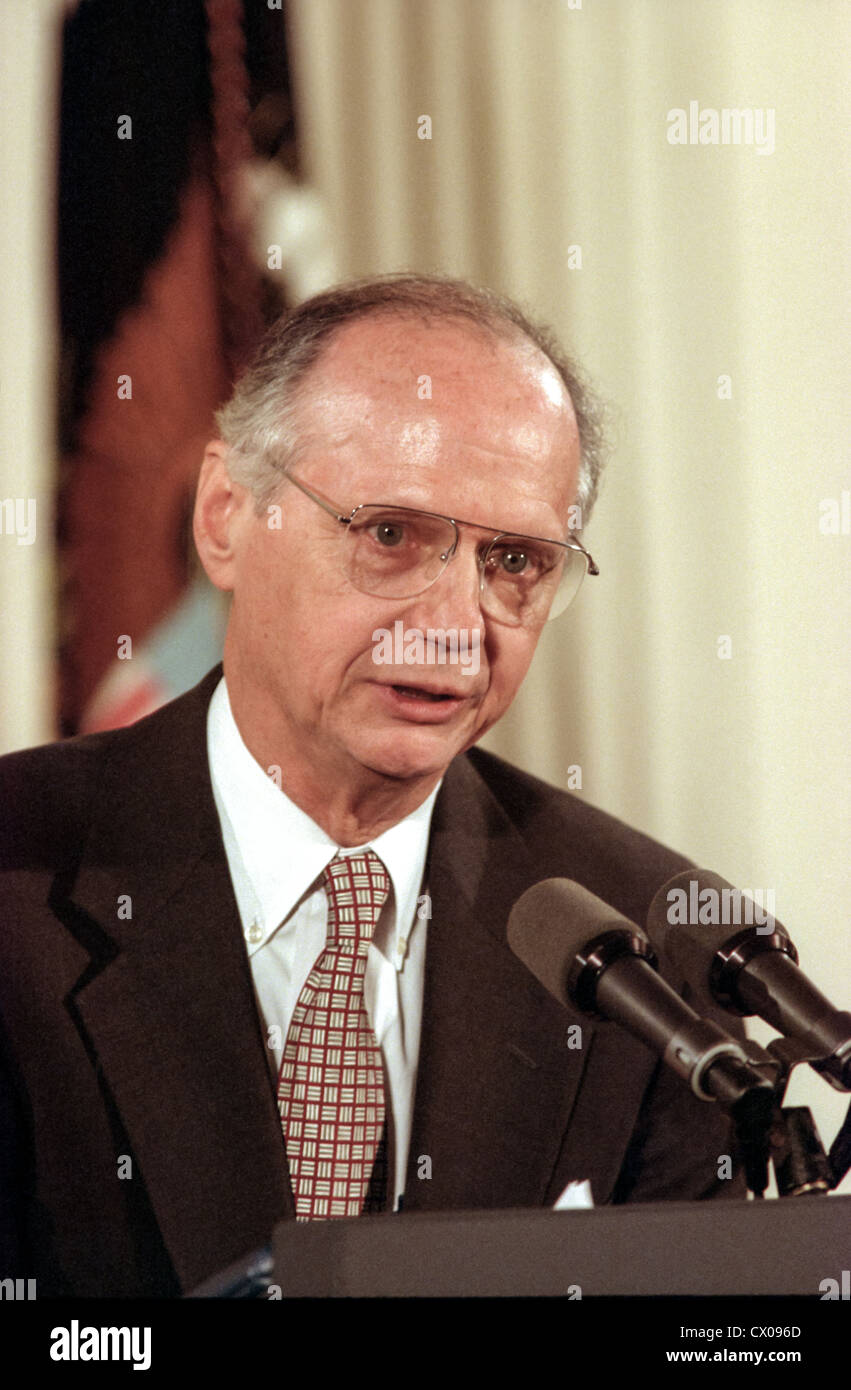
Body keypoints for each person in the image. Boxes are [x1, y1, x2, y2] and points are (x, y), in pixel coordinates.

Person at [0, 274, 745, 1298]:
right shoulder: (14, 880)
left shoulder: (652, 951)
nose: (454, 622)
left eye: (515, 561)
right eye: (391, 535)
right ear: (225, 517)